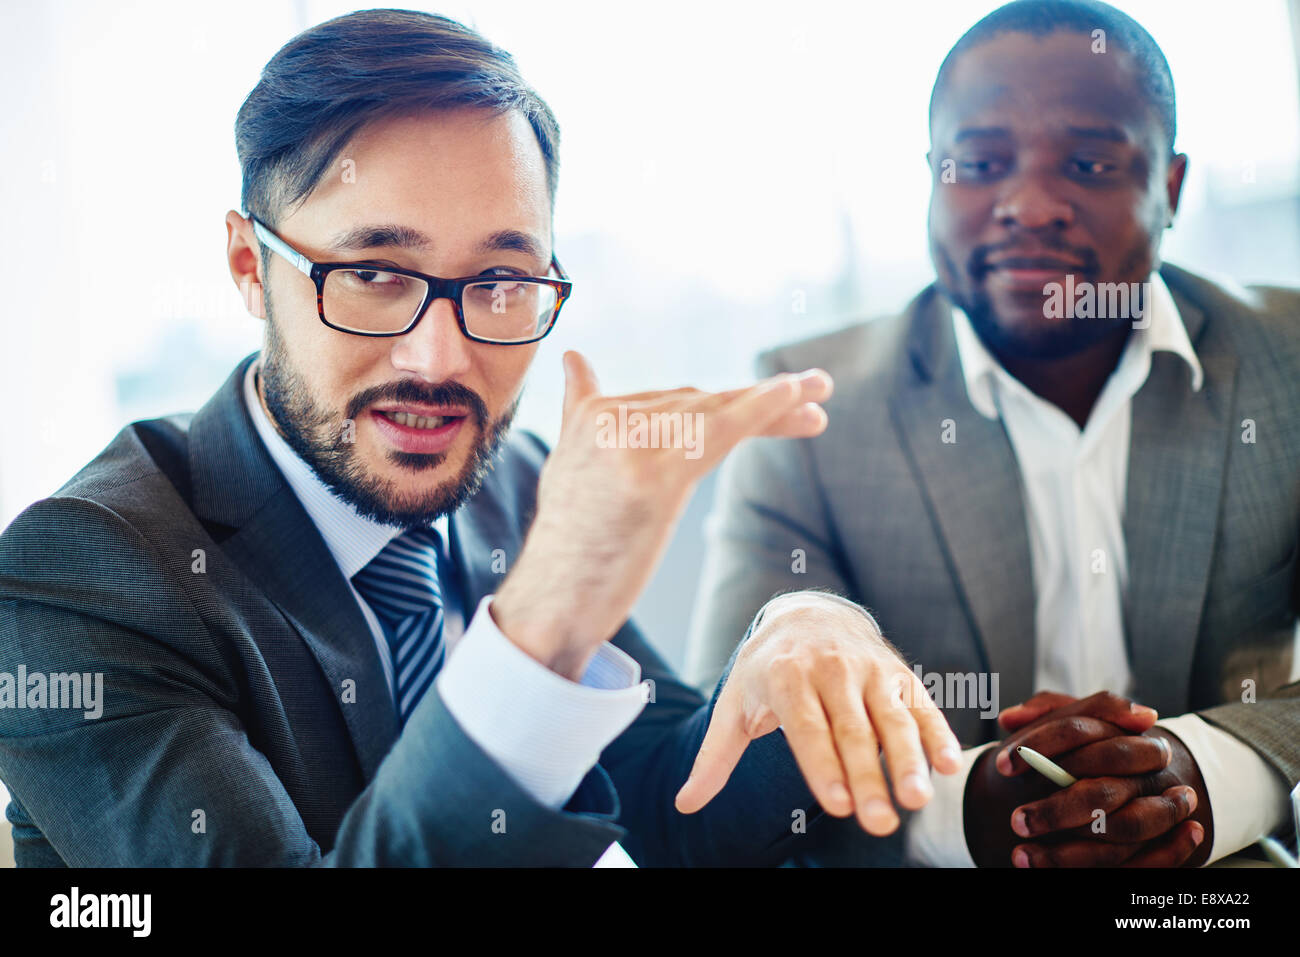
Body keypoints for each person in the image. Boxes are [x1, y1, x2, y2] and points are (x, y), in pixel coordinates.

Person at [0, 9, 963, 867]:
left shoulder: (517, 484)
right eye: (376, 271)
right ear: (251, 265)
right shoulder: (78, 576)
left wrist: (800, 631)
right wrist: (539, 629)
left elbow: (670, 806)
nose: (438, 357)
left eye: (500, 283)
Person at [686, 0, 1299, 867]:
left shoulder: (1288, 366)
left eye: (1087, 162)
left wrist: (1206, 775)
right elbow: (726, 748)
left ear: (1168, 186)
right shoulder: (808, 408)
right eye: (979, 163)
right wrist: (966, 805)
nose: (1029, 205)